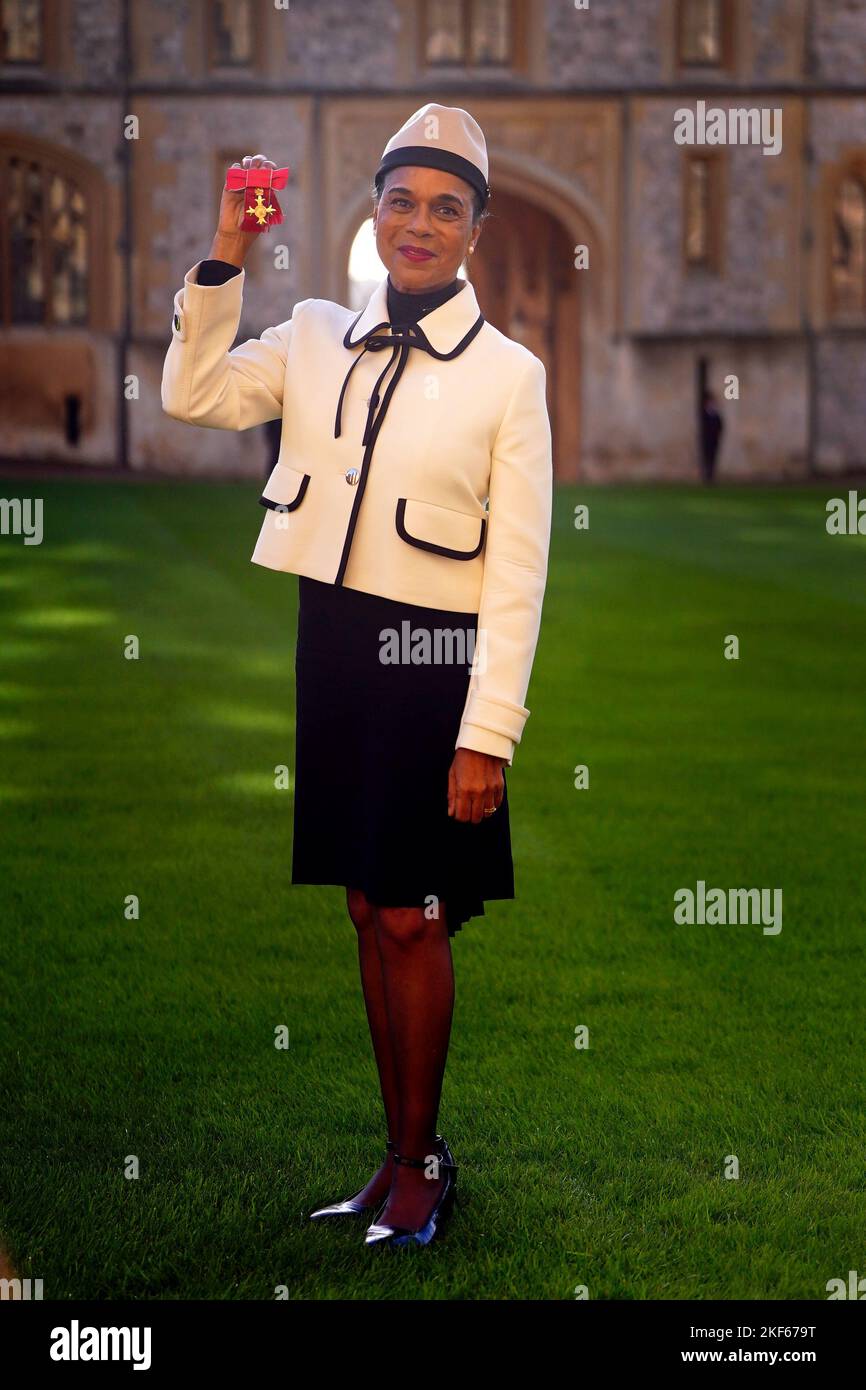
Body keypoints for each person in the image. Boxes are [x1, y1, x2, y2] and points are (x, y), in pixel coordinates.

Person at [161, 104, 553, 1249]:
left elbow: (520, 573)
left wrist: (490, 731)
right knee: (360, 905)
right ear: (373, 211)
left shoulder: (508, 375)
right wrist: (226, 252)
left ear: (475, 229)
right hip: (330, 644)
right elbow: (193, 395)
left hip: (433, 669)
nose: (417, 224)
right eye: (399, 200)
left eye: (445, 207)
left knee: (412, 916)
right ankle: (392, 1158)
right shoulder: (313, 329)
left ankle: (427, 1165)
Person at [700, 388, 724, 485]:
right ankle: (706, 476)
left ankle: (711, 476)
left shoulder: (715, 413)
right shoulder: (703, 413)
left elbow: (720, 424)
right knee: (707, 457)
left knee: (713, 458)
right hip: (706, 440)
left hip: (714, 440)